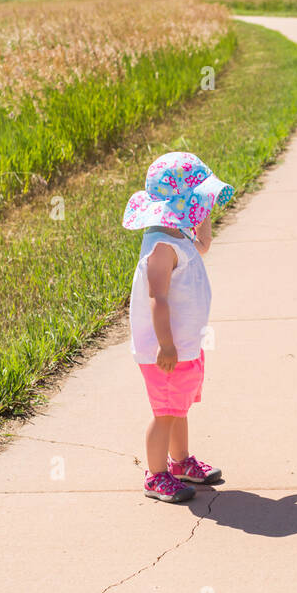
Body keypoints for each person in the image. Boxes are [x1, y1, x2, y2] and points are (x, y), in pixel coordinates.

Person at [122, 151, 234, 503]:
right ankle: (155, 476)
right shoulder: (160, 246)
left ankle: (181, 462)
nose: (202, 208)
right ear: (181, 204)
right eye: (198, 202)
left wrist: (203, 219)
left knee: (179, 407)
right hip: (164, 348)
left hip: (184, 343)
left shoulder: (178, 232)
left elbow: (203, 246)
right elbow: (158, 298)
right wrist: (166, 345)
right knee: (164, 412)